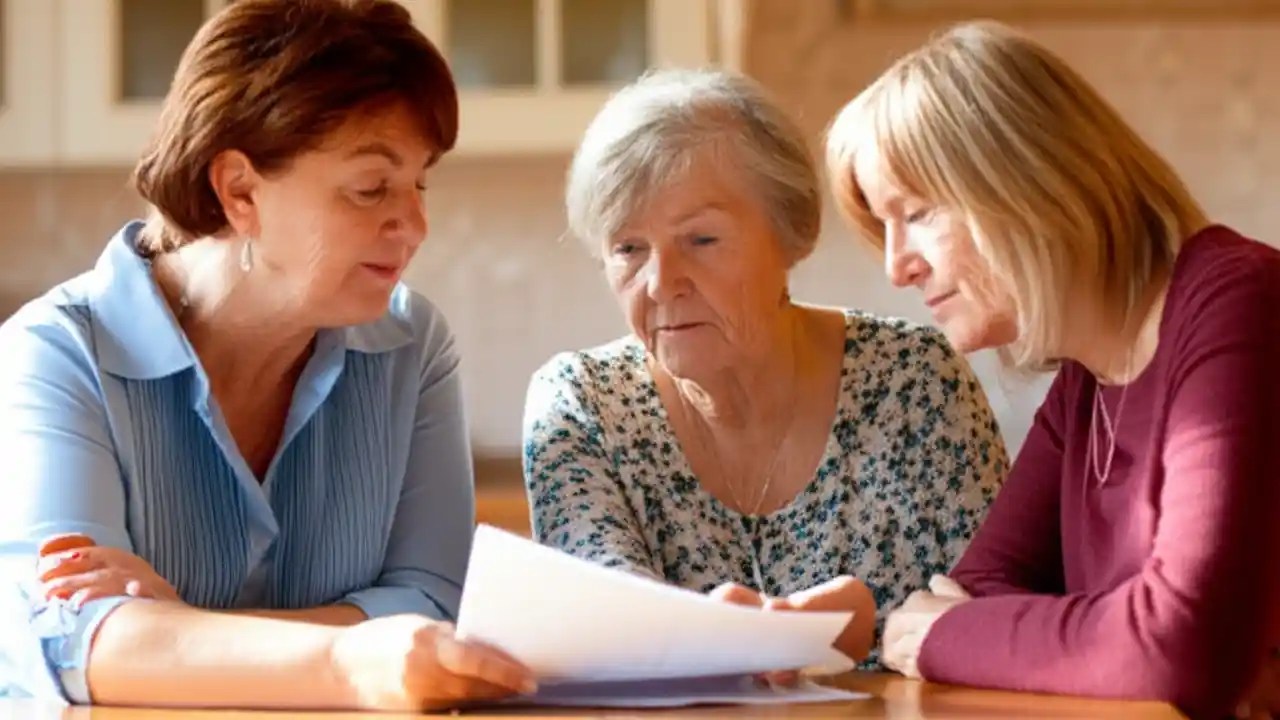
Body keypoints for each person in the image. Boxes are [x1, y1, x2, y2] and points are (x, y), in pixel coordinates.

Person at [0, 0, 534, 710]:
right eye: (370, 188)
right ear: (240, 191)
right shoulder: (57, 354)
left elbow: (436, 605)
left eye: (419, 183)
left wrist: (182, 634)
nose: (414, 223)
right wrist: (349, 657)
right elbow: (72, 641)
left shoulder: (412, 346)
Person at [825, 19, 1280, 719]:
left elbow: (1185, 651)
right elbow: (975, 590)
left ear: (1028, 183)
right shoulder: (1085, 384)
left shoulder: (1240, 303)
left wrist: (960, 635)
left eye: (916, 213)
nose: (897, 267)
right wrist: (1108, 636)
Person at [521, 68, 1008, 666]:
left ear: (789, 234)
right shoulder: (581, 406)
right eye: (628, 248)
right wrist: (805, 636)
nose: (661, 283)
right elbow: (614, 636)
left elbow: (995, 618)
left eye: (701, 239)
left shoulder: (915, 381)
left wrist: (848, 630)